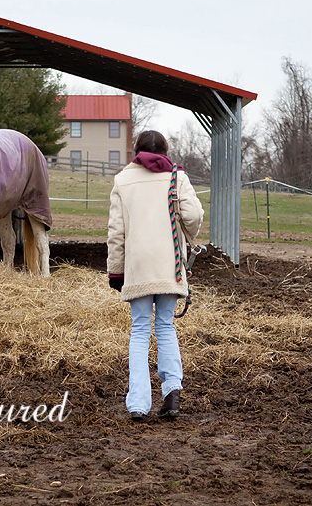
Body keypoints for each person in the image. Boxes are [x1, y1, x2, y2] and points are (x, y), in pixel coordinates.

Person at [107, 130, 204, 421]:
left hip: (138, 267)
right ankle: (172, 392)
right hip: (169, 264)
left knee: (139, 330)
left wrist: (116, 270)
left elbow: (116, 233)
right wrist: (188, 234)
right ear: (165, 150)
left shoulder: (123, 180)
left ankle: (138, 404)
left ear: (137, 150)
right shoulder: (177, 177)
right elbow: (193, 216)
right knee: (165, 325)